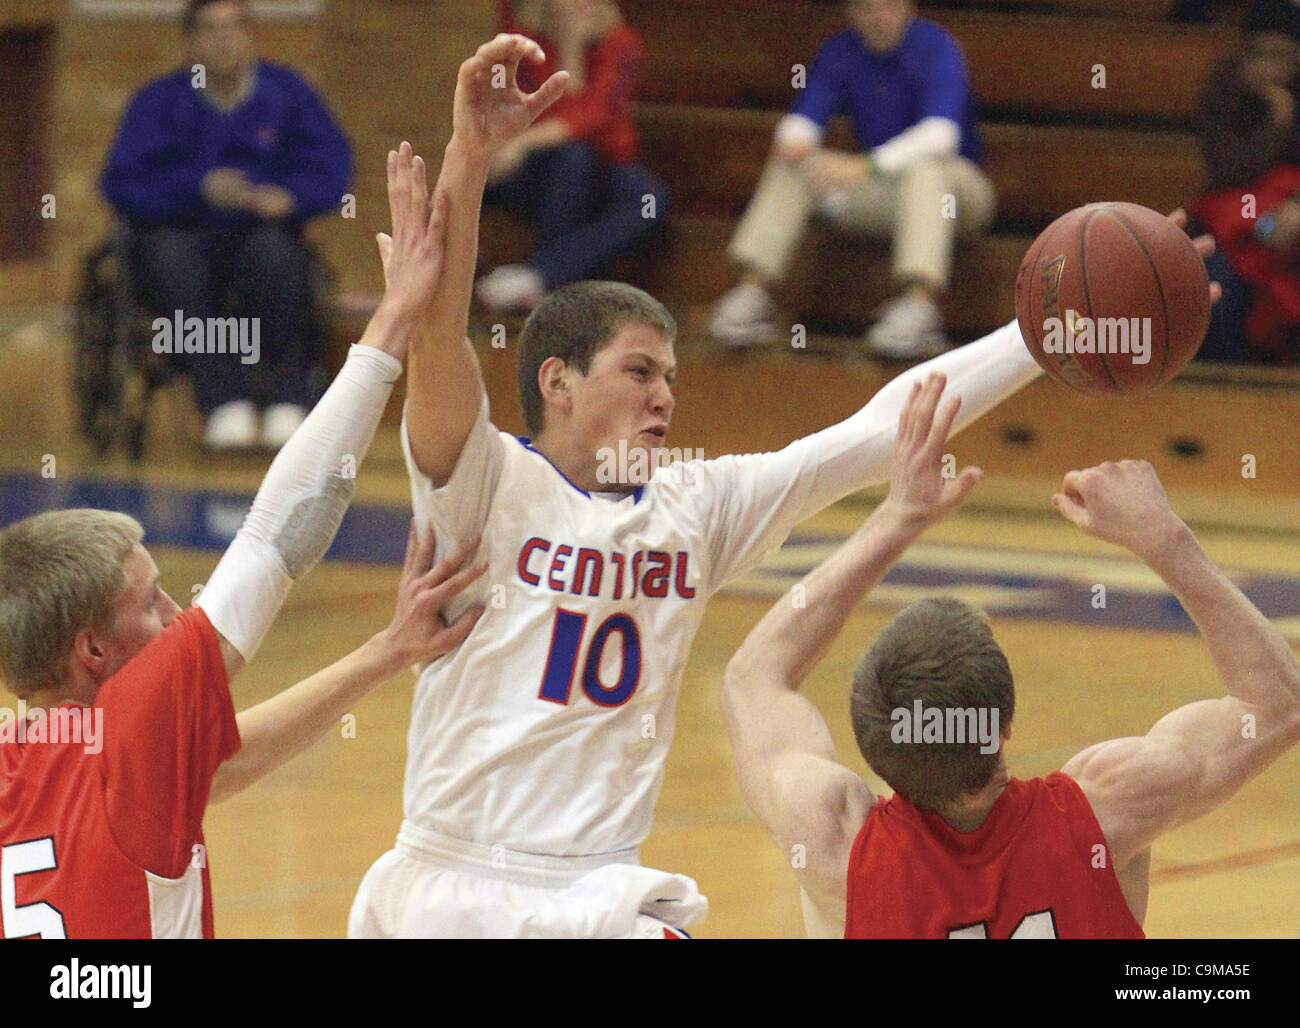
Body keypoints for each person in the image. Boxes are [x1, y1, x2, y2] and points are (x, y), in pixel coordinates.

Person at [347, 33, 1056, 940]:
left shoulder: (698, 505)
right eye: (640, 372)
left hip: (597, 892)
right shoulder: (482, 481)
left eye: (672, 376)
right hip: (454, 884)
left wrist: (1039, 339)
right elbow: (442, 341)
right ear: (557, 381)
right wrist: (470, 156)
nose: (665, 397)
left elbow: (877, 429)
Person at [0, 144, 481, 938]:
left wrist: (384, 653)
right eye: (148, 598)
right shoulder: (130, 731)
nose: (174, 606)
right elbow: (274, 536)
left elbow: (217, 769)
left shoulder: (37, 751)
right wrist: (393, 322)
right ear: (91, 653)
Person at [720, 369, 1297, 938]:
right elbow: (1277, 705)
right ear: (1002, 726)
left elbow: (755, 677)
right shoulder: (1108, 808)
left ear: (876, 746)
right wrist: (1164, 539)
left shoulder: (833, 842)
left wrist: (896, 519)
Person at [99, 0, 352, 452]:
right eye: (209, 29)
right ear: (190, 40)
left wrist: (290, 197)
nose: (222, 38)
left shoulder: (288, 93)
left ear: (250, 35)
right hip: (180, 232)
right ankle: (221, 401)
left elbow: (331, 169)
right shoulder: (158, 101)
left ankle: (287, 398)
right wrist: (198, 187)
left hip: (260, 230)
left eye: (233, 27)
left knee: (276, 257)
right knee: (170, 263)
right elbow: (121, 183)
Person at [707, 0, 995, 359]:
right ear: (852, 12)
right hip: (888, 196)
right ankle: (751, 294)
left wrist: (863, 166)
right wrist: (795, 141)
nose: (880, 17)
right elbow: (804, 118)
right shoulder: (840, 50)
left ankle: (918, 306)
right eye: (869, 8)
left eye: (890, 6)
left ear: (908, 7)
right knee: (795, 165)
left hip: (956, 195)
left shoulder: (937, 46)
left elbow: (941, 136)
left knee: (926, 169)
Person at [474, 1, 669, 313]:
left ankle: (539, 276)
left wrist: (572, 50)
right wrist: (568, 49)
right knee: (573, 158)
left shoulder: (620, 43)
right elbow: (536, 116)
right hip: (536, 172)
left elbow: (592, 116)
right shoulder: (520, 44)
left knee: (649, 200)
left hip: (603, 166)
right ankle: (548, 288)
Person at [1195, 31, 1300, 362]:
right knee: (1216, 292)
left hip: (1292, 214)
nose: (1274, 66)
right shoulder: (1223, 98)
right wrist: (1278, 118)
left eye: (1284, 56)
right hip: (1235, 221)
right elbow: (1231, 172)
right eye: (1264, 55)